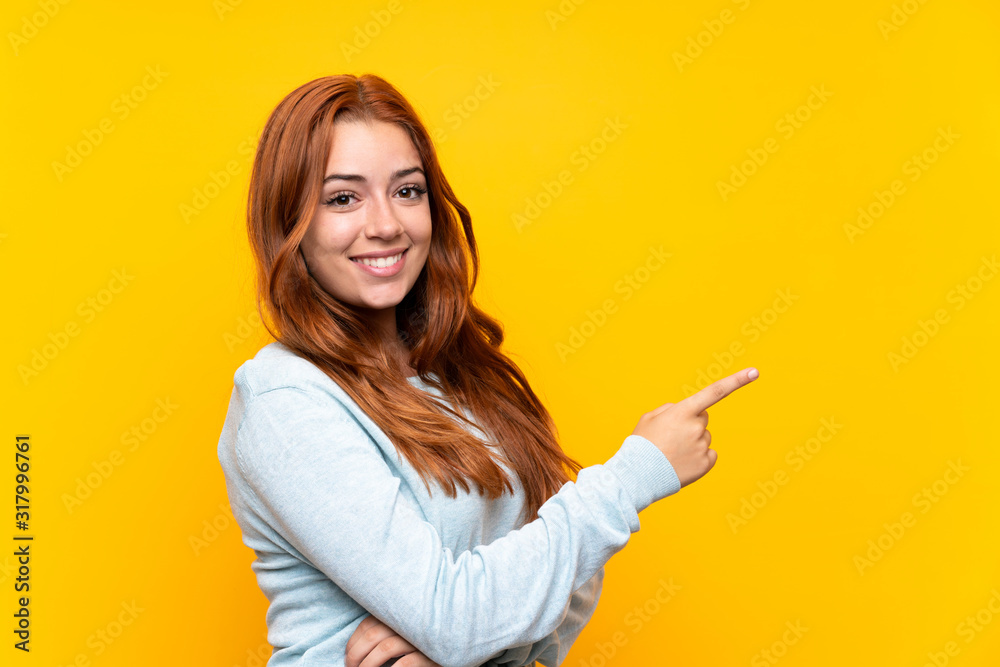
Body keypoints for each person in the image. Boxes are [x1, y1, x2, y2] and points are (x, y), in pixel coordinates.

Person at [216, 72, 760, 667]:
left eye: (408, 191)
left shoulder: (460, 374)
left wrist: (457, 636)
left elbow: (565, 586)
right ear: (288, 221)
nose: (386, 224)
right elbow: (468, 618)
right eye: (343, 198)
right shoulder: (284, 399)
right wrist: (635, 474)